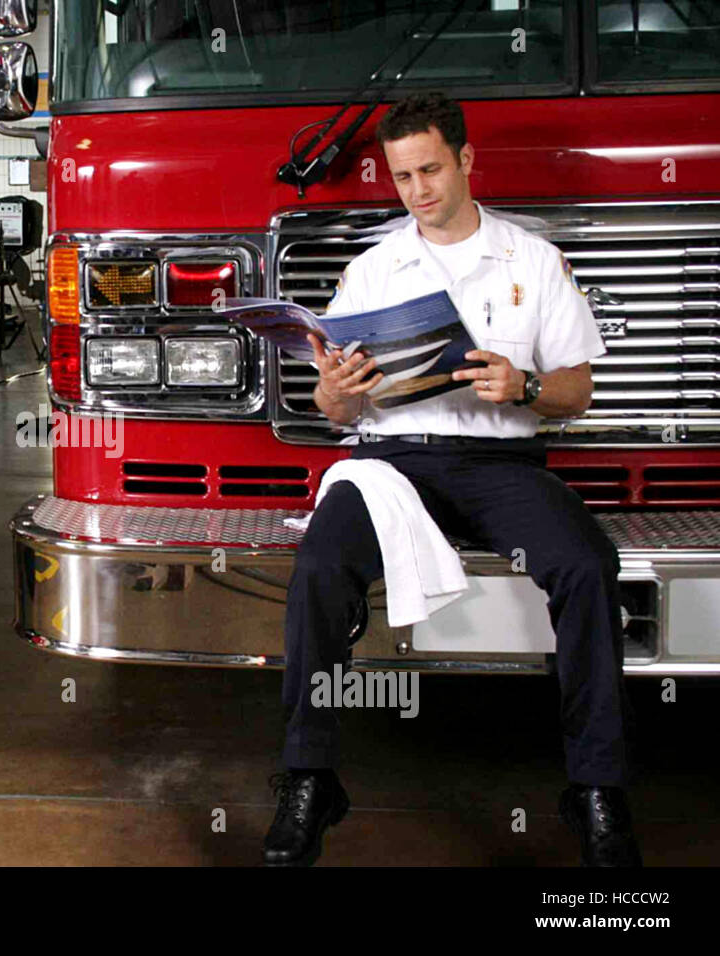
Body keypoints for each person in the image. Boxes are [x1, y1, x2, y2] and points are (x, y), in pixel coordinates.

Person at [263, 93, 641, 867]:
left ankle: (595, 788)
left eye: (431, 168)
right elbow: (333, 412)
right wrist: (337, 384)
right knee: (319, 569)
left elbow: (577, 389)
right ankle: (309, 777)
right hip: (389, 465)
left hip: (500, 463)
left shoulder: (529, 259)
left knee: (586, 565)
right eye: (403, 176)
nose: (418, 190)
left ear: (466, 161)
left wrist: (525, 386)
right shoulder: (373, 268)